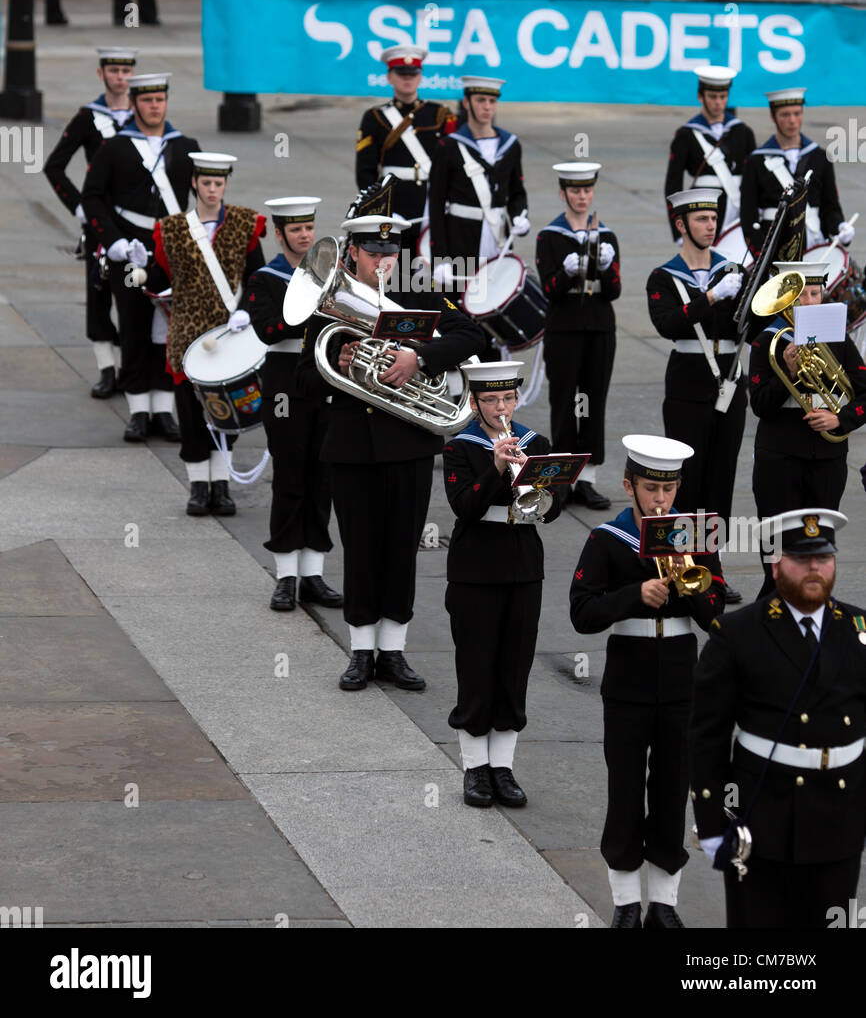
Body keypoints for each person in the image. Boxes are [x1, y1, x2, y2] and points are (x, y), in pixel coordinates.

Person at [292, 213, 484, 692]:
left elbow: (475, 337)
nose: (382, 262)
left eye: (389, 254)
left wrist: (419, 357)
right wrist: (332, 362)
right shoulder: (326, 306)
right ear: (352, 252)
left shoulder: (418, 295)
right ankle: (360, 651)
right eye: (373, 254)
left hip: (409, 445)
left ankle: (394, 650)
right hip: (351, 446)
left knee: (401, 548)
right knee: (360, 549)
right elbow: (300, 382)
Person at [569, 434, 726, 928]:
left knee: (673, 788)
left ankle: (665, 902)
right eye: (651, 490)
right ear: (629, 486)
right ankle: (625, 903)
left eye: (669, 490)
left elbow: (719, 616)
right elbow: (583, 613)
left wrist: (691, 588)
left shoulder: (695, 537)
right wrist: (634, 595)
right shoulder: (606, 539)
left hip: (682, 673)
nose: (662, 500)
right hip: (629, 676)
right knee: (625, 790)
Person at [690, 507, 866, 929]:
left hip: (839, 821)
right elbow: (705, 738)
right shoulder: (738, 633)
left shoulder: (857, 629)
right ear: (775, 562)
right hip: (762, 820)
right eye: (801, 559)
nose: (814, 569)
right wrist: (714, 825)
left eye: (823, 558)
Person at [443, 361, 561, 808]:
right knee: (476, 665)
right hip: (475, 566)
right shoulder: (460, 448)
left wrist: (540, 480)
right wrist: (495, 469)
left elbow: (551, 511)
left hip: (523, 564)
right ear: (475, 403)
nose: (500, 408)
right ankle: (475, 766)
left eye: (507, 399)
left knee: (514, 665)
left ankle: (503, 767)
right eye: (490, 401)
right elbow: (465, 508)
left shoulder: (537, 443)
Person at [82, 72, 199, 442]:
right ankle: (138, 411)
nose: (154, 106)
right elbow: (92, 197)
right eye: (147, 101)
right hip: (129, 249)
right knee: (132, 326)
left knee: (165, 331)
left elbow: (203, 199)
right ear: (134, 104)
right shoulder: (115, 148)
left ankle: (164, 410)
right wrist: (113, 241)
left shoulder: (185, 147)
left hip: (171, 249)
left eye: (159, 100)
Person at [148, 152, 266, 515]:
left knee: (225, 413)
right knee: (190, 412)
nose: (213, 190)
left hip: (228, 336)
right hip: (186, 335)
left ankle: (221, 485)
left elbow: (256, 278)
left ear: (225, 184)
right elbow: (157, 280)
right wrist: (138, 273)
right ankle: (198, 486)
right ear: (195, 184)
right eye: (206, 183)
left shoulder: (245, 224)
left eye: (219, 183)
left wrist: (246, 310)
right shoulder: (171, 228)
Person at [646, 188, 747, 602]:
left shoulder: (734, 270)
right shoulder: (664, 276)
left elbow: (749, 325)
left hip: (730, 382)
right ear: (681, 224)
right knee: (686, 480)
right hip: (688, 383)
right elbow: (668, 324)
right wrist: (709, 298)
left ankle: (713, 568)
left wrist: (748, 293)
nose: (710, 225)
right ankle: (680, 567)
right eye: (701, 219)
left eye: (713, 218)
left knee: (721, 478)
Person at [243, 196, 341, 610]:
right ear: (280, 234)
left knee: (323, 477)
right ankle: (285, 576)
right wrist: (312, 312)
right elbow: (268, 330)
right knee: (290, 476)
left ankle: (313, 573)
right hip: (284, 381)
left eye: (308, 228)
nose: (304, 236)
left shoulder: (332, 274)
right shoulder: (265, 278)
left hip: (323, 377)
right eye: (295, 230)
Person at [749, 258, 866, 595]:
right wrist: (787, 371)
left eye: (815, 293)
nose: (809, 302)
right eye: (800, 296)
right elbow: (759, 404)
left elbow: (864, 391)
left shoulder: (839, 341)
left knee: (820, 545)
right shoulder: (767, 342)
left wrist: (840, 419)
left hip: (827, 456)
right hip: (779, 456)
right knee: (776, 549)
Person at [44, 47, 136, 397]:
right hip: (98, 221)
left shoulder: (143, 115)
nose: (120, 78)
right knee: (98, 294)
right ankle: (106, 368)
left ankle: (132, 365)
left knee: (135, 295)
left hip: (133, 221)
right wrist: (79, 207)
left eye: (126, 72)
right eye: (113, 71)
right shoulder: (88, 116)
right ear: (102, 74)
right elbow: (55, 166)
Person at [536, 161, 620, 511]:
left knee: (593, 399)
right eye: (575, 190)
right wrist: (568, 271)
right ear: (563, 193)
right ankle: (562, 478)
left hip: (599, 327)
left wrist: (604, 267)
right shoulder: (550, 236)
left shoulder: (607, 235)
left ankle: (588, 478)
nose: (582, 196)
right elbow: (550, 289)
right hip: (565, 326)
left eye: (586, 190)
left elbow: (614, 289)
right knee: (565, 400)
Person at [427, 76, 528, 295]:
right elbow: (436, 205)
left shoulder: (510, 145)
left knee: (496, 298)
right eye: (481, 100)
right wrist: (440, 258)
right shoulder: (448, 146)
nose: (487, 107)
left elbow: (517, 193)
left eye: (492, 101)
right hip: (460, 237)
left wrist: (521, 216)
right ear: (467, 103)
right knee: (461, 301)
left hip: (497, 237)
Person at [355, 45, 455, 264]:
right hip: (394, 202)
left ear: (420, 77)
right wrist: (380, 211)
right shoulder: (375, 117)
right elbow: (365, 171)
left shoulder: (440, 114)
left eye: (413, 73)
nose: (407, 78)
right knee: (397, 269)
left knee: (432, 269)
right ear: (389, 77)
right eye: (401, 73)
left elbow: (454, 164)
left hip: (432, 200)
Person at [740, 88, 853, 257]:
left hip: (815, 245)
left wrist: (840, 227)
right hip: (775, 245)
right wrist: (761, 257)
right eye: (785, 115)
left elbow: (830, 206)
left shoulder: (819, 156)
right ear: (773, 117)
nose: (792, 121)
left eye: (797, 114)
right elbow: (748, 217)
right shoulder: (756, 161)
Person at [663, 66, 756, 243]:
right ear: (701, 97)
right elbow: (672, 184)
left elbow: (753, 178)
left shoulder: (743, 132)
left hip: (737, 211)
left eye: (723, 97)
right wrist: (678, 229)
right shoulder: (686, 135)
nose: (718, 102)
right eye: (712, 97)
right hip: (702, 209)